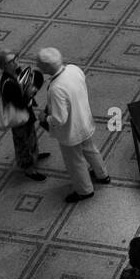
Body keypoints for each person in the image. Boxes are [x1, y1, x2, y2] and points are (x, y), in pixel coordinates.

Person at [37, 48, 110, 203]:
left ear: (47, 67)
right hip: (85, 120)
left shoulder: (56, 88)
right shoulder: (73, 69)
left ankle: (85, 190)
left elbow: (60, 119)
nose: (38, 66)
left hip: (70, 132)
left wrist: (45, 117)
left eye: (39, 64)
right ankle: (102, 174)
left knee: (74, 161)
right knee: (91, 149)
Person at [0, 50, 48, 182]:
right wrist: (30, 93)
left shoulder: (17, 71)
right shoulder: (8, 84)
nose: (15, 62)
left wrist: (32, 87)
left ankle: (34, 154)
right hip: (19, 117)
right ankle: (28, 168)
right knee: (22, 142)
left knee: (31, 135)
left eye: (15, 58)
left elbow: (30, 79)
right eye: (11, 61)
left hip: (26, 114)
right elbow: (20, 104)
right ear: (3, 65)